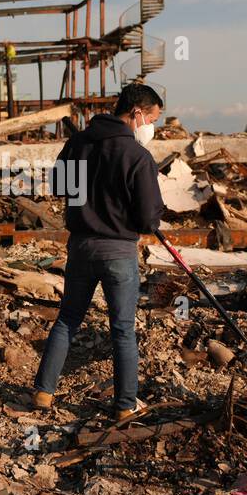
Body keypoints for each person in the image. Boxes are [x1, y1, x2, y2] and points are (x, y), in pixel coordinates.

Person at [30, 84, 166, 422]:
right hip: (118, 251)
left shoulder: (78, 143)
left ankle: (43, 393)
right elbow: (149, 219)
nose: (152, 127)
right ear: (137, 113)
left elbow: (61, 187)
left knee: (67, 319)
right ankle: (125, 405)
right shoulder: (137, 156)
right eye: (151, 118)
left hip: (80, 247)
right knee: (122, 329)